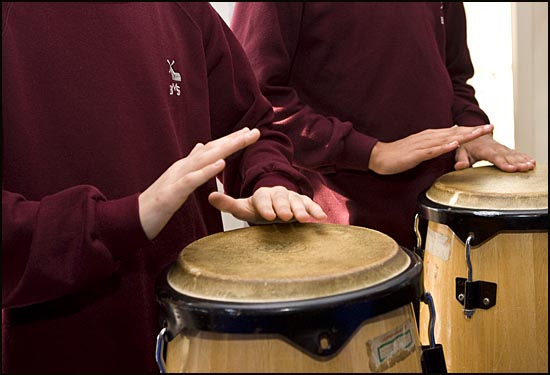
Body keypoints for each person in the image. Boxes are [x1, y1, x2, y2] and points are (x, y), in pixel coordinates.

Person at [1, 3, 327, 373]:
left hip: (197, 340)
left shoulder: (183, 9)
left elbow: (252, 126)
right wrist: (125, 218)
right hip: (59, 346)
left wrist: (270, 182)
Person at [231, 2, 536, 251]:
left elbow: (453, 75)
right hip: (339, 237)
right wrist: (371, 153)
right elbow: (257, 101)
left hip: (440, 223)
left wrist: (471, 129)